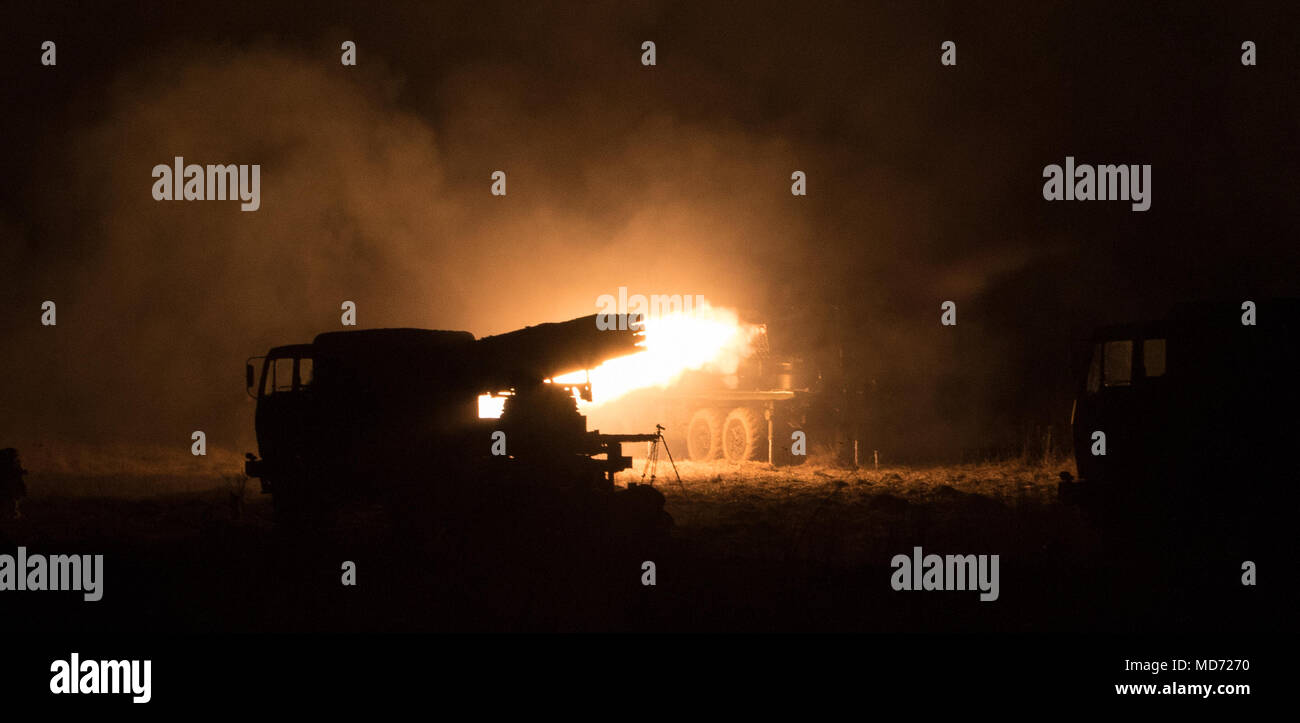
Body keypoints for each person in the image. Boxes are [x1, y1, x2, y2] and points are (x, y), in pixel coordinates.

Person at [0, 448, 28, 520]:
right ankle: (11, 514)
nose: (17, 456)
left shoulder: (13, 462)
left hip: (12, 485)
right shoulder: (6, 463)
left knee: (12, 500)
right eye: (15, 454)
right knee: (10, 500)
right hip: (10, 485)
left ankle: (12, 514)